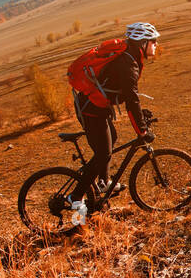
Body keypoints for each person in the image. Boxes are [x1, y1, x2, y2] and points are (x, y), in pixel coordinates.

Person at [67, 21, 158, 212]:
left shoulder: (129, 58)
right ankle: (75, 197)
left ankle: (103, 182)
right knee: (103, 154)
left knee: (112, 139)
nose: (156, 45)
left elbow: (125, 94)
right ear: (143, 43)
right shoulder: (128, 64)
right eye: (154, 41)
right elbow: (132, 99)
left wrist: (141, 114)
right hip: (90, 110)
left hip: (98, 107)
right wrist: (142, 130)